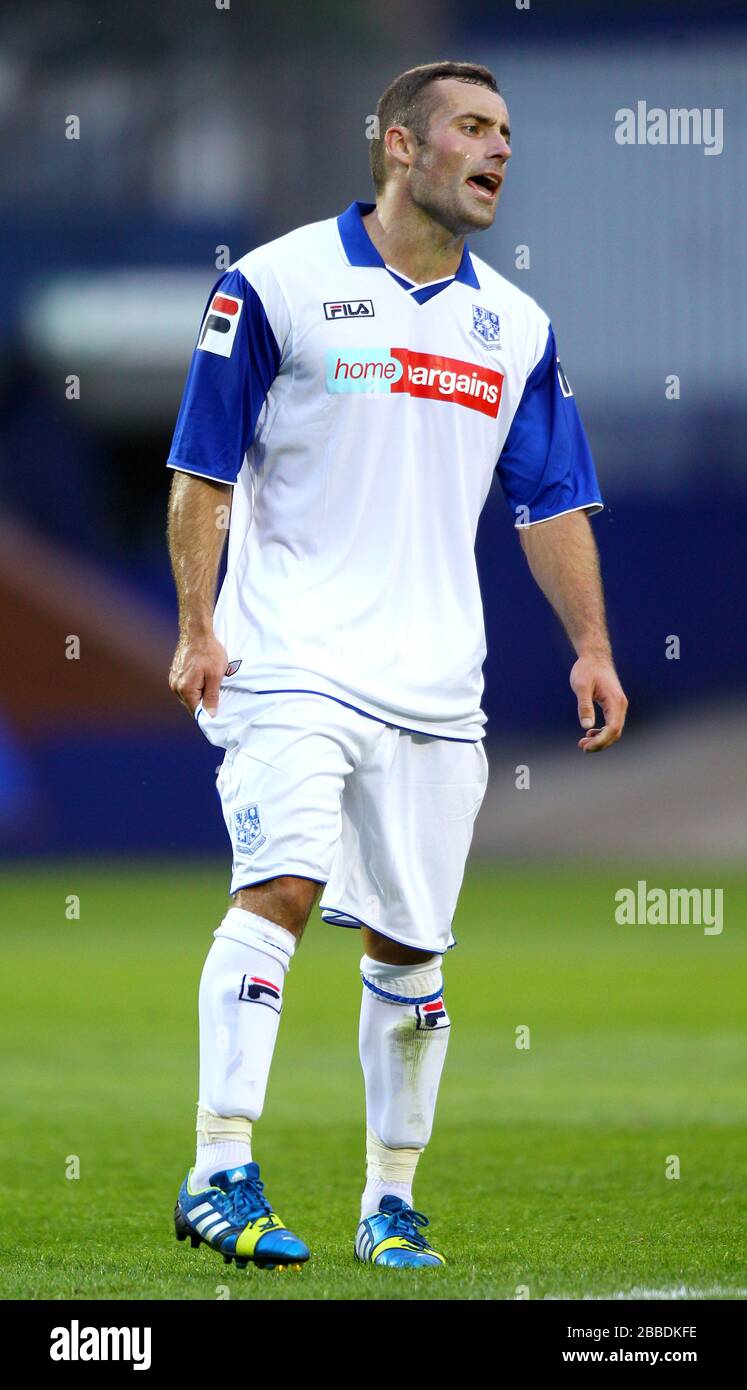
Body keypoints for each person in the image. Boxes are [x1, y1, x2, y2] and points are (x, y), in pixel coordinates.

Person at [167, 60, 628, 1273]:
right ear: (397, 146)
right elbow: (203, 468)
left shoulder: (516, 327)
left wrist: (591, 643)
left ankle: (389, 1202)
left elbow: (552, 502)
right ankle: (219, 1169)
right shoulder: (273, 284)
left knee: (413, 951)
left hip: (435, 682)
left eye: (508, 134)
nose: (499, 150)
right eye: (473, 128)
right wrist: (197, 623)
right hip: (290, 657)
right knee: (284, 885)